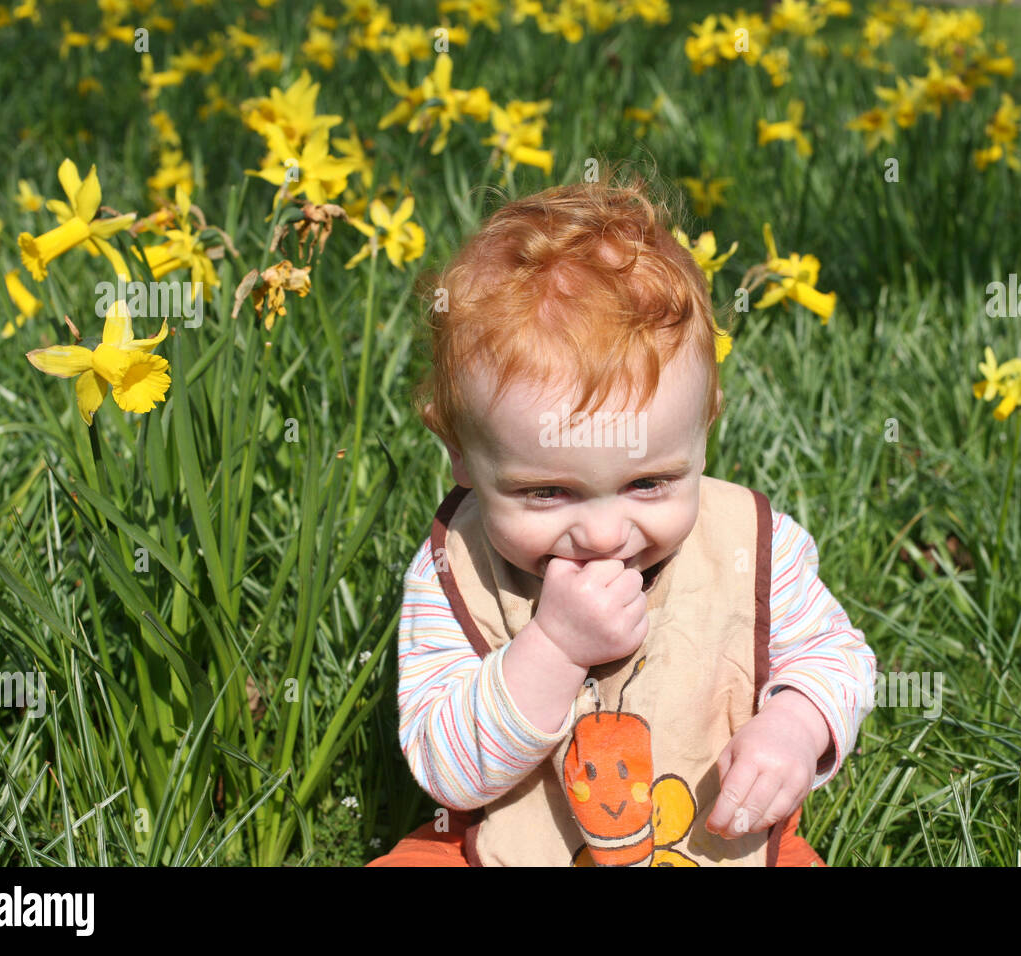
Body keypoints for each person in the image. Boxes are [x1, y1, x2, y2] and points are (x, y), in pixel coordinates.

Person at [367, 170, 875, 866]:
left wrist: (797, 724)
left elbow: (838, 658)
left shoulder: (749, 547)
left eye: (648, 483)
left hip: (711, 843)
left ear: (704, 427)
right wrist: (552, 649)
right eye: (547, 493)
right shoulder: (458, 569)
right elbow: (444, 767)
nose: (605, 535)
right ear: (462, 459)